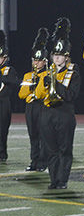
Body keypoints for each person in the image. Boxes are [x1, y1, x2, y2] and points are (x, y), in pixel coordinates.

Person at [37, 18, 80, 190]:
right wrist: (44, 82)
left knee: (64, 149)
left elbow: (71, 95)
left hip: (64, 113)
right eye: (55, 55)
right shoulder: (47, 72)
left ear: (67, 57)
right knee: (50, 149)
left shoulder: (73, 72)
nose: (57, 57)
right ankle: (54, 179)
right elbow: (39, 95)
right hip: (47, 113)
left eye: (60, 55)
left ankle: (62, 180)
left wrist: (57, 83)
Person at [19, 28, 49, 172]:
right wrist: (32, 92)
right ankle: (34, 161)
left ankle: (43, 162)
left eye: (39, 60)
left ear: (45, 62)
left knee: (42, 135)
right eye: (35, 60)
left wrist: (33, 94)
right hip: (30, 108)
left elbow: (42, 93)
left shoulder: (47, 75)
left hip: (41, 107)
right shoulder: (27, 75)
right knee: (33, 136)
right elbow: (21, 94)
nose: (36, 63)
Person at [0, 31, 19, 164]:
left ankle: (2, 154)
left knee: (2, 130)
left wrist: (4, 78)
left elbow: (15, 82)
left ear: (5, 58)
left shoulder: (9, 70)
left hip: (3, 103)